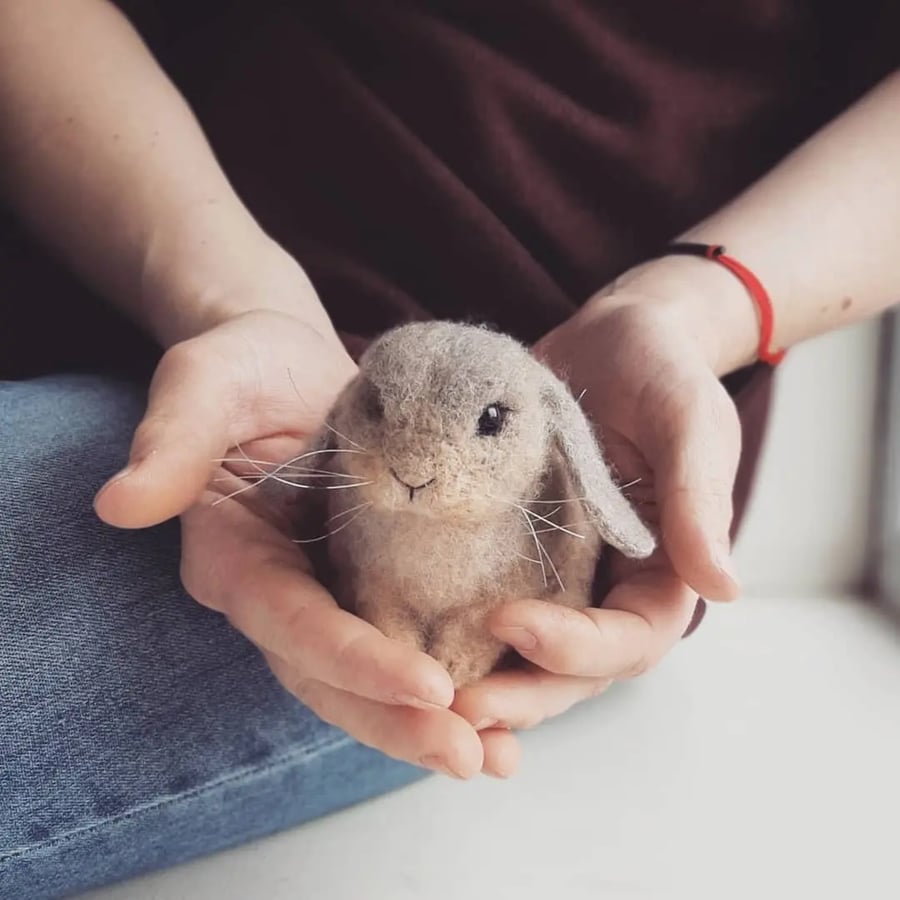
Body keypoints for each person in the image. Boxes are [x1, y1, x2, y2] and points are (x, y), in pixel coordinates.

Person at [1, 1, 898, 895]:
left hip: (490, 368)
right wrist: (231, 303)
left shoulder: (559, 434)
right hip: (130, 276)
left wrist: (694, 308)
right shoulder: (338, 436)